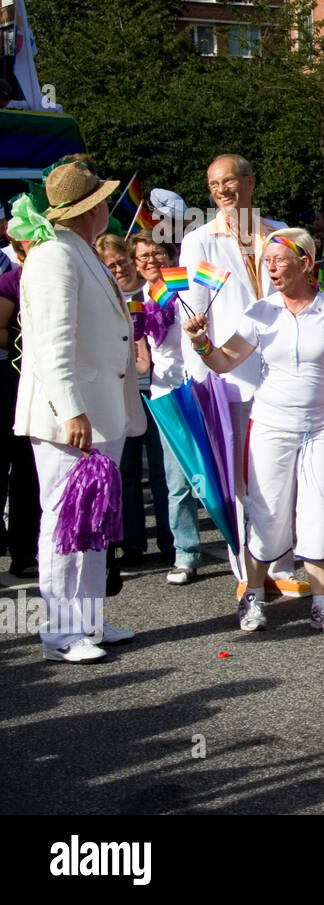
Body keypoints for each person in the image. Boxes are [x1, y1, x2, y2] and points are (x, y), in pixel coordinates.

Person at [182, 229, 324, 635]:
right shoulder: (260, 311)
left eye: (280, 260)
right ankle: (255, 597)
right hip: (271, 425)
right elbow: (225, 361)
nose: (272, 267)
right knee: (266, 510)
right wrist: (201, 344)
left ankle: (321, 603)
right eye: (268, 261)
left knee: (322, 507)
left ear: (306, 263)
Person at [16, 162, 146, 661]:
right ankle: (61, 632)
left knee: (91, 518)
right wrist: (71, 411)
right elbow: (50, 347)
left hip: (98, 410)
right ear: (90, 208)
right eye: (102, 201)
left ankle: (87, 619)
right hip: (70, 416)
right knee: (64, 519)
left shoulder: (76, 252)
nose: (108, 209)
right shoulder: (54, 257)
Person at [180, 155, 297, 592]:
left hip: (282, 371)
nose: (222, 191)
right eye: (213, 185)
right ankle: (248, 574)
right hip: (229, 373)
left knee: (281, 472)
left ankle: (281, 568)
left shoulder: (279, 231)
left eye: (229, 181)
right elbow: (191, 311)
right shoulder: (199, 241)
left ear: (250, 182)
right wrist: (200, 377)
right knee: (241, 477)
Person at [96, 234, 172, 570]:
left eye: (122, 262)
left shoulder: (155, 290)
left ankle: (170, 540)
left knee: (162, 469)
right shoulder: (105, 297)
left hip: (155, 387)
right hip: (119, 391)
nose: (119, 269)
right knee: (124, 471)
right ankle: (131, 542)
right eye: (110, 265)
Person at [134, 235, 203, 583]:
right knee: (176, 481)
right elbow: (145, 353)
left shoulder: (183, 286)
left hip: (199, 389)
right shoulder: (142, 299)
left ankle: (245, 547)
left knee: (216, 474)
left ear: (169, 256)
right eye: (142, 256)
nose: (149, 260)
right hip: (165, 395)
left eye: (155, 253)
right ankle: (186, 553)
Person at [0, 237, 39, 579]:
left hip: (39, 385)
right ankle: (20, 552)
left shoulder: (48, 276)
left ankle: (26, 553)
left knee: (28, 475)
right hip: (10, 382)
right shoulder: (10, 281)